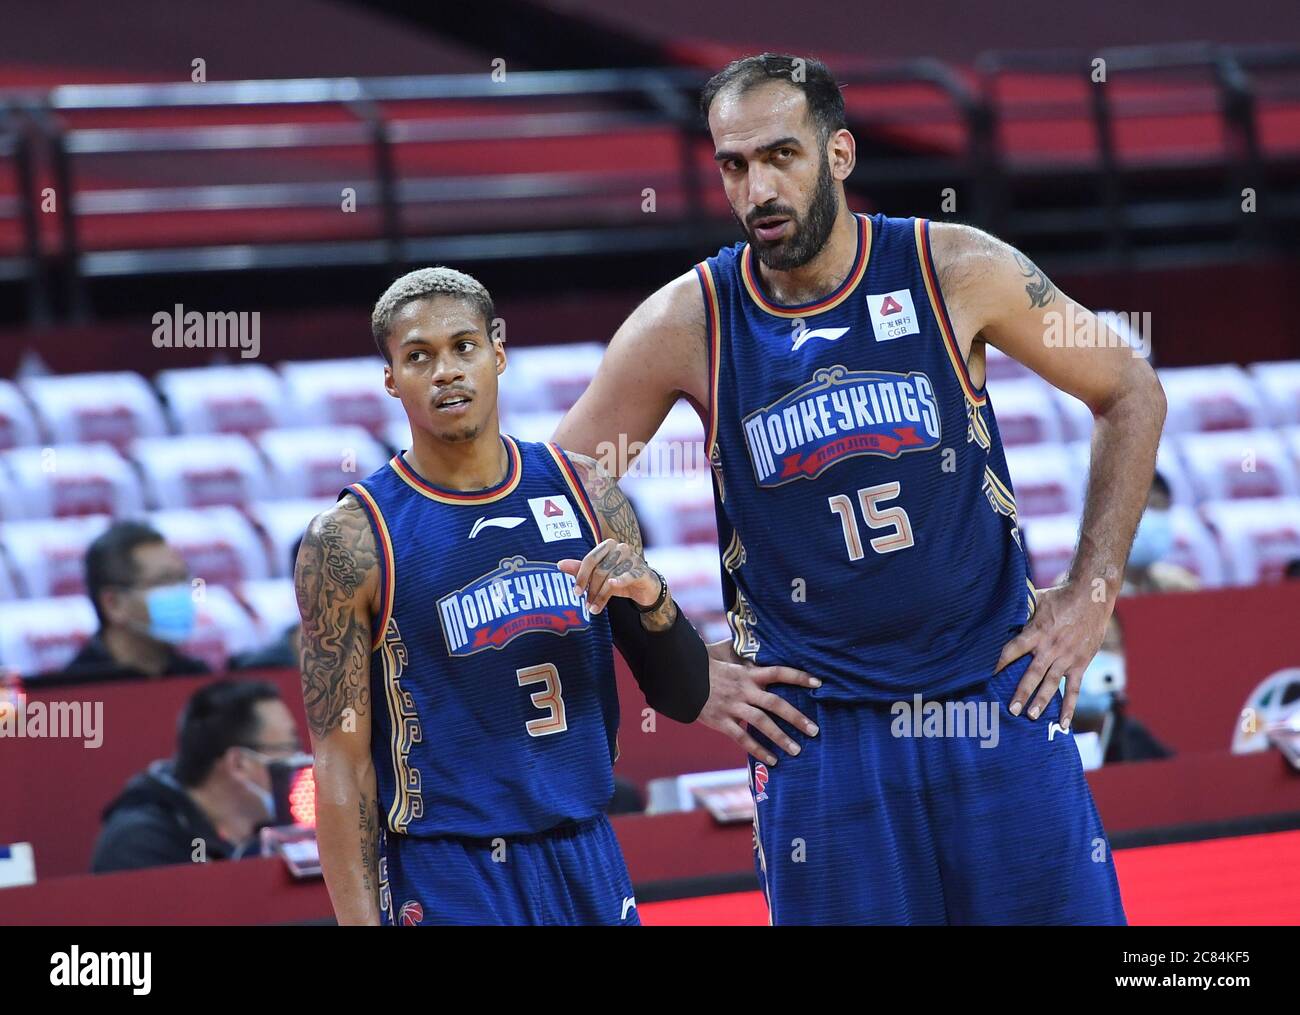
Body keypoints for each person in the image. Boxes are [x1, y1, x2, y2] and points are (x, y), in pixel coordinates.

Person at [553, 53, 1167, 924]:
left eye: (780, 156)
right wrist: (680, 664)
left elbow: (1130, 389)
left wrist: (1091, 592)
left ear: (839, 154)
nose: (757, 187)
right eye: (733, 165)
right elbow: (545, 503)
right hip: (821, 735)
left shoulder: (954, 266)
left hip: (993, 697)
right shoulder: (686, 323)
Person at [294, 267, 710, 926]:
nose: (446, 371)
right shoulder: (350, 540)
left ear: (498, 351)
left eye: (463, 346)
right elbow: (339, 762)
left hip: (587, 849)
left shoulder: (588, 493)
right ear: (391, 379)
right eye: (418, 356)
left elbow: (683, 697)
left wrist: (654, 597)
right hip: (451, 869)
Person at [91, 678, 299, 872]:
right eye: (290, 748)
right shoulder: (140, 844)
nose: (300, 759)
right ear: (238, 764)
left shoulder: (278, 833)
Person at [62, 520, 210, 680]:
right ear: (113, 604)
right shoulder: (75, 693)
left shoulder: (196, 677)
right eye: (164, 582)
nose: (182, 593)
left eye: (183, 579)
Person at [1122, 471, 1199, 594]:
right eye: (1136, 508)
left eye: (1158, 506)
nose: (1147, 516)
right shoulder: (1092, 595)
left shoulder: (1180, 587)